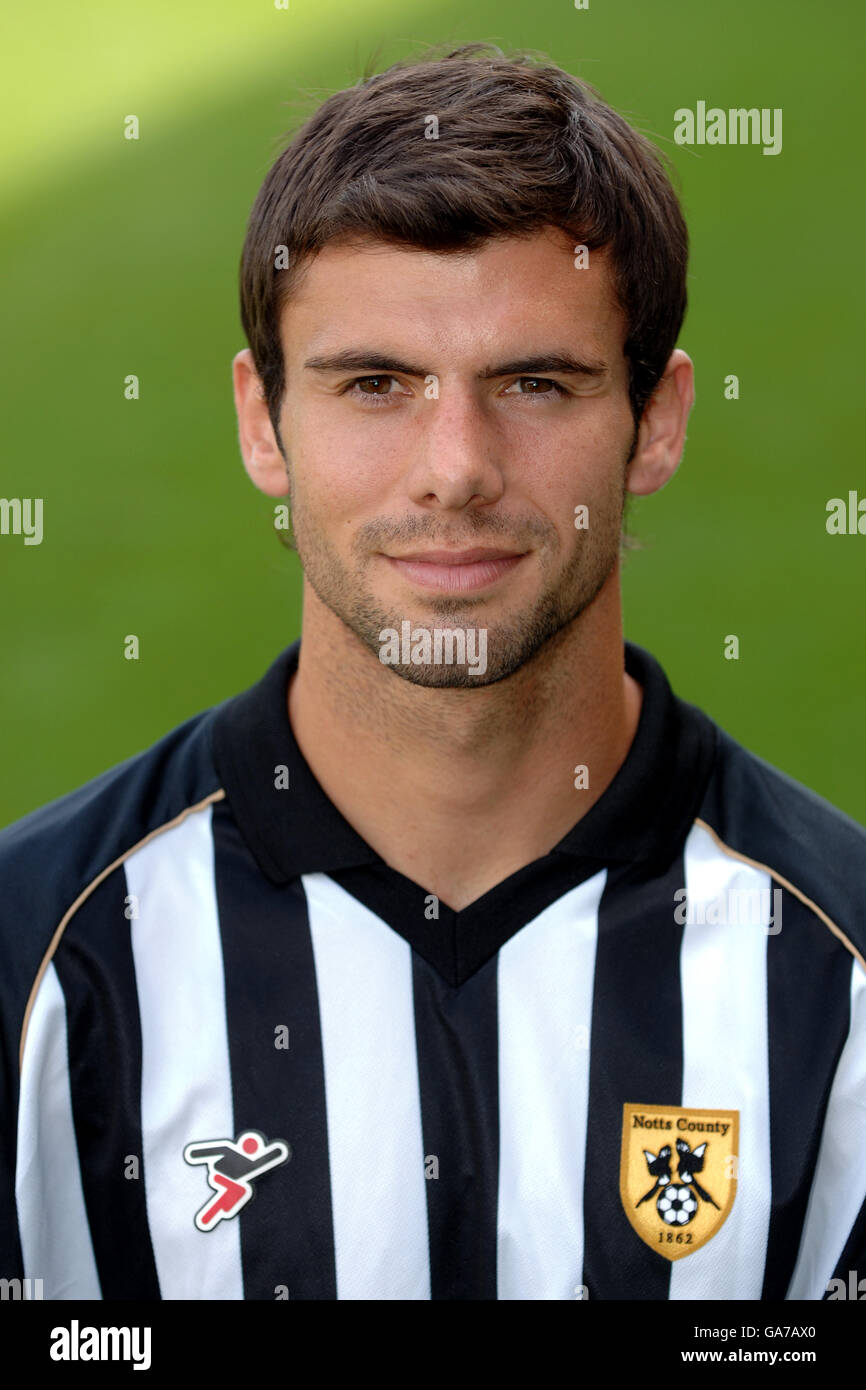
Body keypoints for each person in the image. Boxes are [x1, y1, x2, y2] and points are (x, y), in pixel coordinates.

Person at [1, 43, 863, 1302]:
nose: (453, 466)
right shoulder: (40, 960)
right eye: (374, 385)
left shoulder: (835, 974)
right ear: (262, 420)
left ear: (655, 419)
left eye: (533, 382)